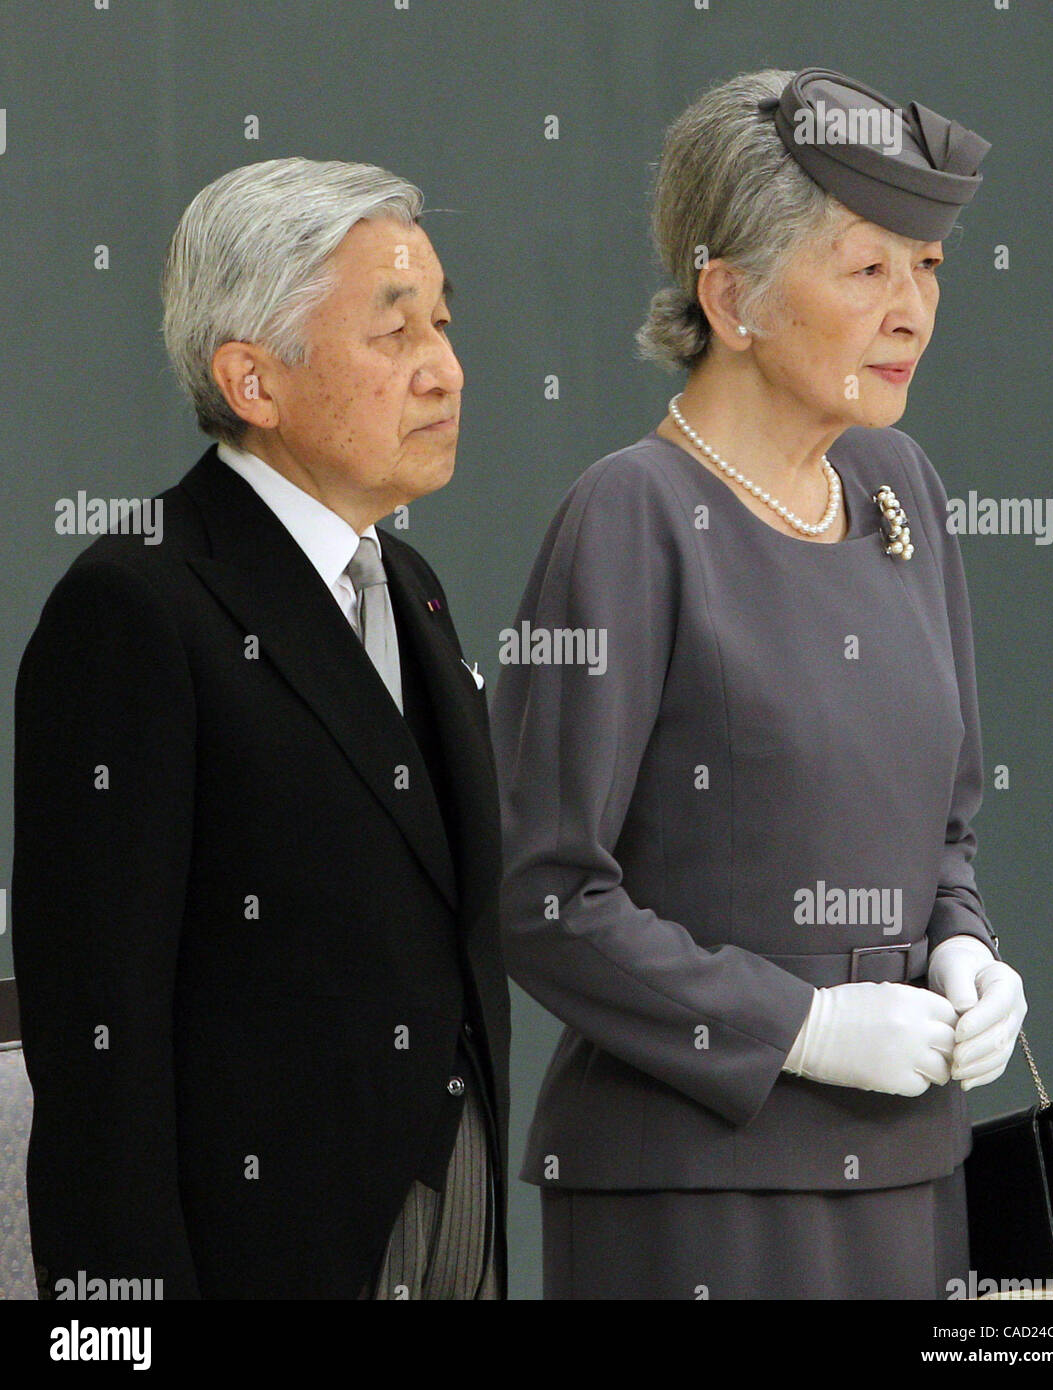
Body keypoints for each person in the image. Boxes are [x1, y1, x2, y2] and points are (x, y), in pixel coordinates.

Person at [490, 67, 1026, 1300]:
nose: (912, 312)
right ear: (727, 297)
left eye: (927, 269)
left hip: (909, 1175)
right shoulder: (630, 515)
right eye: (866, 269)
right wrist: (800, 1028)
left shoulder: (904, 487)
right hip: (701, 1193)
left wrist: (961, 948)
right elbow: (547, 895)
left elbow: (944, 826)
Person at [13, 157, 510, 1300]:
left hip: (455, 1217)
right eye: (394, 334)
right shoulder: (136, 606)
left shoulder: (413, 586)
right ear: (252, 379)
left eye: (440, 322)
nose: (445, 368)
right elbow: (97, 1043)